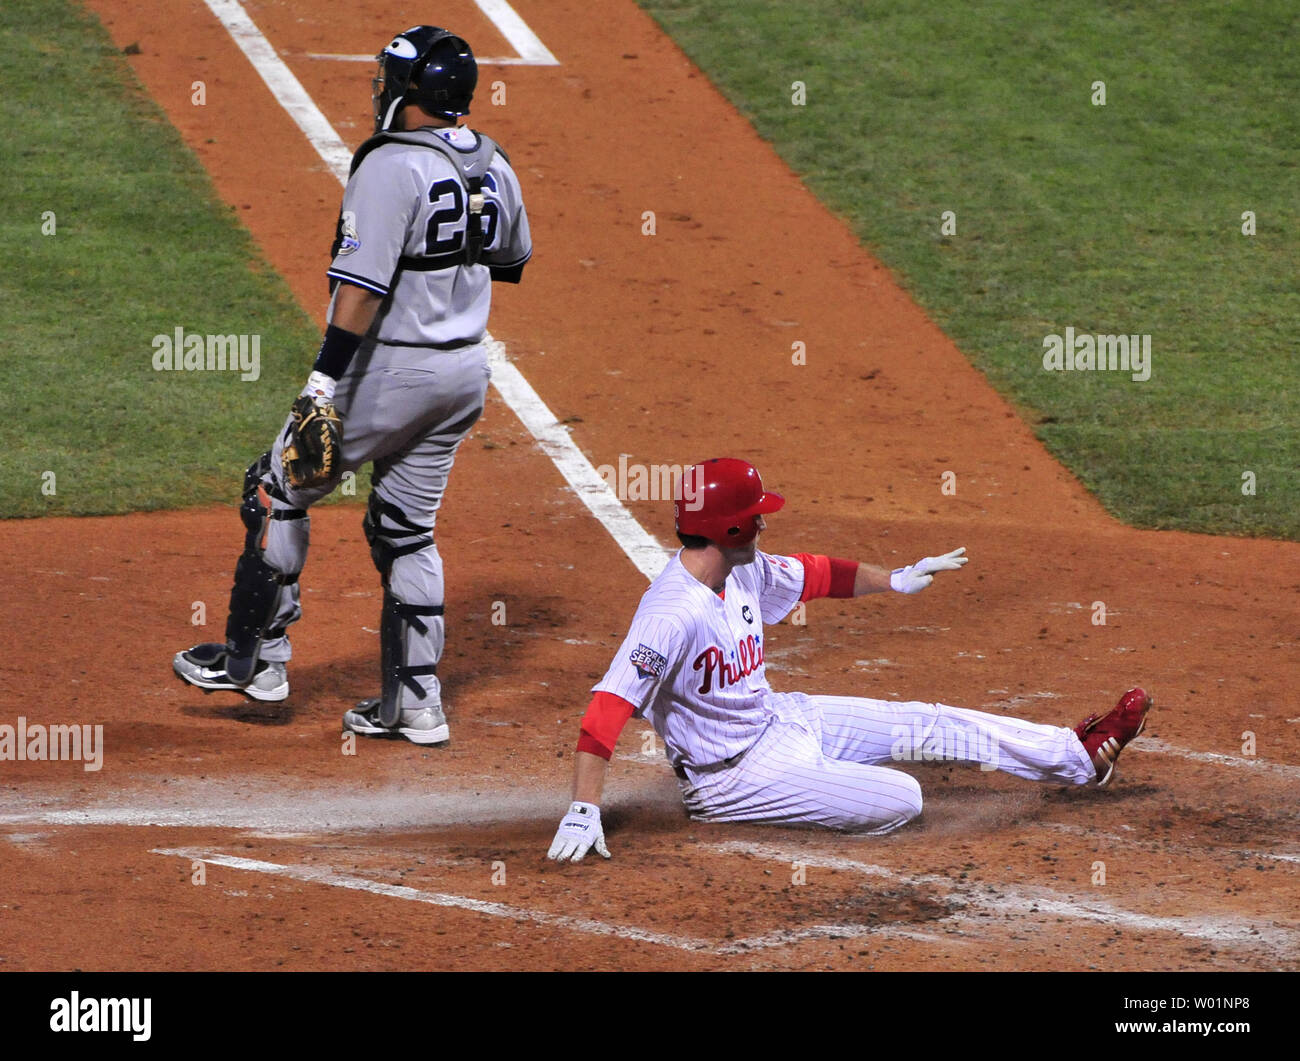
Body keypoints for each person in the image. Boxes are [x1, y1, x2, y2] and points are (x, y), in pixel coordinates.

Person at [173, 26, 531, 746]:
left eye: (389, 78)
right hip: (462, 373)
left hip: (390, 370)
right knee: (407, 531)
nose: (381, 89)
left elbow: (360, 289)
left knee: (275, 490)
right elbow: (511, 259)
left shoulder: (388, 165)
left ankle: (257, 662)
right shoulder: (495, 164)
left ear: (411, 90)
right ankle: (416, 703)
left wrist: (321, 381)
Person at [547, 458, 1152, 861]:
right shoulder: (671, 613)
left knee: (928, 721)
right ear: (729, 526)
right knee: (901, 797)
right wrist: (582, 809)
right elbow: (606, 709)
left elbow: (814, 575)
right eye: (755, 514)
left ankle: (1074, 757)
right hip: (732, 779)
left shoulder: (743, 567)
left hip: (780, 721)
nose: (763, 522)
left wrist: (895, 579)